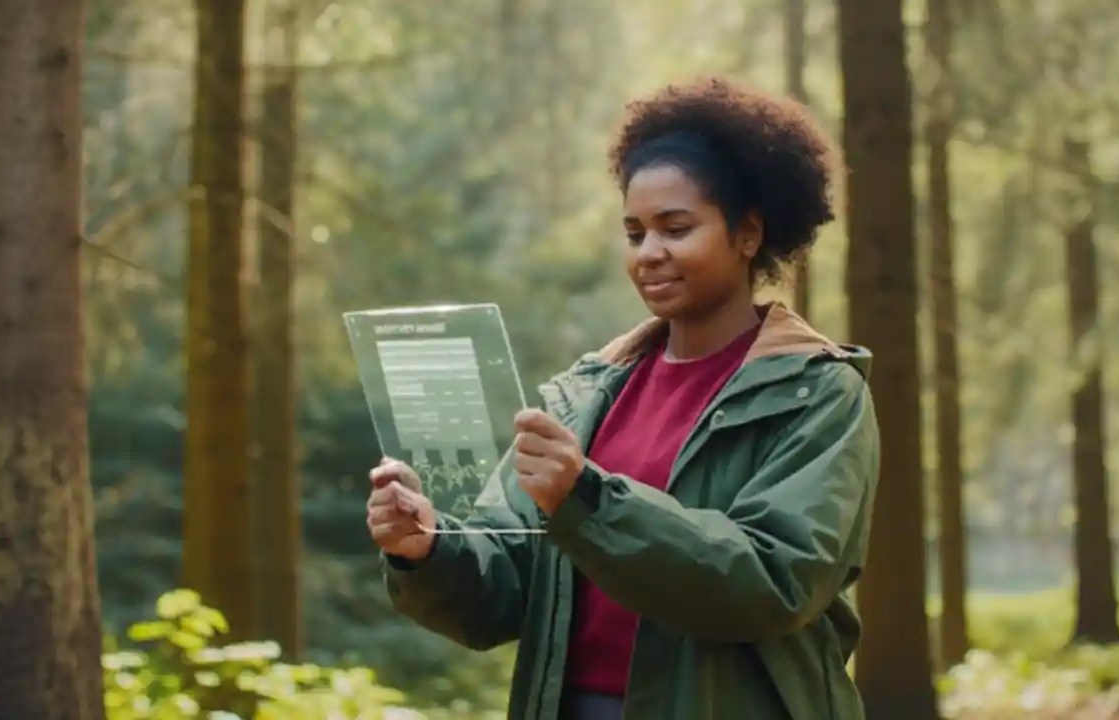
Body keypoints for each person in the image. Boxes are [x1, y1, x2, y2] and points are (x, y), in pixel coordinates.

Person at [365, 77, 879, 720]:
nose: (650, 254)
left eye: (676, 227)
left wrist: (587, 499)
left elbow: (772, 582)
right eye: (635, 233)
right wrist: (428, 547)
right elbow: (505, 595)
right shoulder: (585, 396)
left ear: (748, 234)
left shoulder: (817, 394)